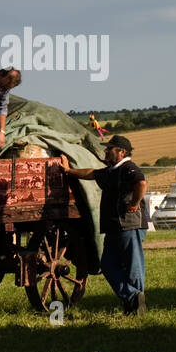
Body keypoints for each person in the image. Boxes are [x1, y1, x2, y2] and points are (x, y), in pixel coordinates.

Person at [59, 134, 149, 315]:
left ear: (122, 152)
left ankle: (135, 304)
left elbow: (141, 182)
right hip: (114, 226)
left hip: (128, 224)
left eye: (110, 149)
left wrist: (135, 203)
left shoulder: (128, 167)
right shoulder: (111, 170)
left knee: (132, 265)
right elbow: (91, 173)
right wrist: (68, 171)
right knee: (107, 265)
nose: (106, 151)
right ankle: (132, 297)